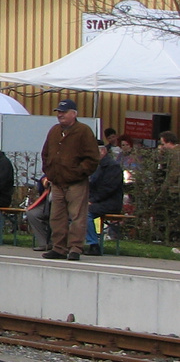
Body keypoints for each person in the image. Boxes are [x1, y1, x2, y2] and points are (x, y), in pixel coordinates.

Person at [41, 98, 102, 260]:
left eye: (64, 112)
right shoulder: (54, 131)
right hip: (57, 182)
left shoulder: (83, 131)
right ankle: (59, 247)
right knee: (57, 217)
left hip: (76, 182)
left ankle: (75, 248)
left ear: (73, 114)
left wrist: (78, 172)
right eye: (59, 112)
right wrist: (49, 171)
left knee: (77, 217)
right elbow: (45, 153)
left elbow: (92, 158)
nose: (60, 115)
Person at [84, 143, 125, 255]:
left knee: (85, 213)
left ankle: (93, 244)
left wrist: (92, 200)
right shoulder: (95, 166)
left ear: (102, 151)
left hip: (110, 203)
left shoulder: (112, 167)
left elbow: (108, 188)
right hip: (96, 200)